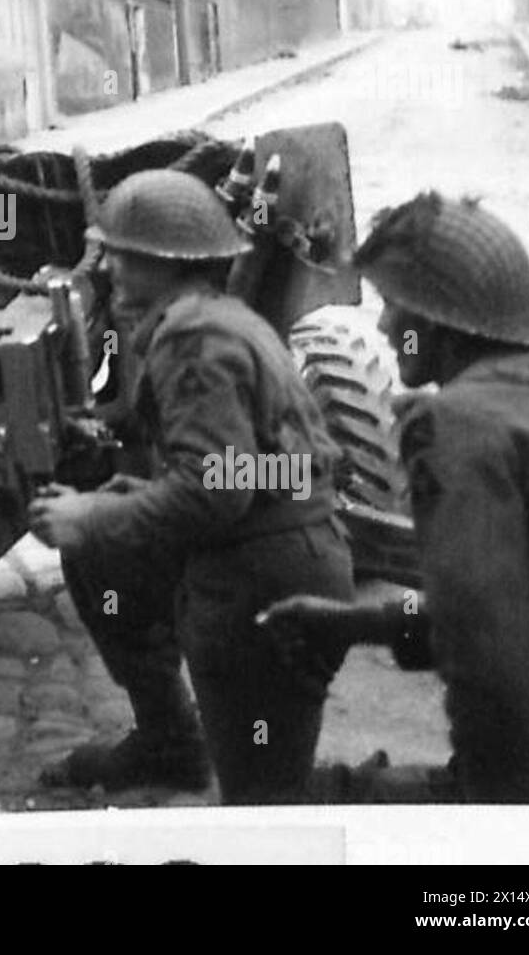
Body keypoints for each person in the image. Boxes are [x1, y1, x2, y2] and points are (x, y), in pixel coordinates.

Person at [28, 169, 354, 804]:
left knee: (260, 802)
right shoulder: (216, 319)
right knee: (100, 557)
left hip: (267, 580)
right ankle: (170, 740)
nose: (110, 267)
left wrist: (91, 514)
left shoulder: (193, 340)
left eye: (124, 254)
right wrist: (118, 503)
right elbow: (232, 470)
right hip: (282, 553)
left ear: (166, 262)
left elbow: (216, 492)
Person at [259, 192, 529, 804]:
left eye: (393, 306)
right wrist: (362, 623)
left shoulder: (459, 426)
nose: (382, 327)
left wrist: (491, 832)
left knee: (314, 803)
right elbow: (527, 609)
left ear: (433, 321)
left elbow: (489, 659)